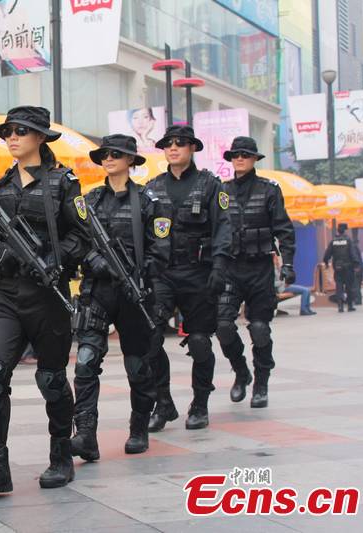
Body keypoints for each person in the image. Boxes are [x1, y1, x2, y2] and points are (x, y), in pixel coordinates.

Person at [0, 106, 89, 497]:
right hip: (6, 294)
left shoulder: (63, 184)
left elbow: (83, 235)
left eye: (21, 131)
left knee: (52, 378)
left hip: (48, 295)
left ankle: (60, 456)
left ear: (41, 137)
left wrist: (59, 260)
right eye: (8, 131)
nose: (12, 137)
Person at [71, 135, 170, 459]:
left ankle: (139, 427)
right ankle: (85, 434)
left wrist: (142, 276)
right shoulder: (90, 200)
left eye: (116, 154)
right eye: (105, 154)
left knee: (138, 367)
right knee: (85, 362)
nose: (109, 159)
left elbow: (162, 249)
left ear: (131, 161)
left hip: (135, 294)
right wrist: (93, 261)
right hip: (98, 291)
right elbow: (77, 243)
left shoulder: (150, 201)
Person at [145, 125, 232, 431]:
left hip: (199, 273)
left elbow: (223, 227)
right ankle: (163, 402)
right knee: (150, 337)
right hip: (162, 274)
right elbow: (143, 232)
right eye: (168, 143)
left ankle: (200, 404)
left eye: (180, 143)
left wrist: (220, 265)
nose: (173, 148)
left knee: (199, 342)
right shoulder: (152, 188)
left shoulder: (210, 185)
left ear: (192, 148)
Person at [215, 137, 296, 409]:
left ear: (254, 159)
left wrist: (288, 263)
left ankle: (261, 383)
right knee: (223, 326)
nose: (239, 158)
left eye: (245, 155)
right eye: (235, 154)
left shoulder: (269, 190)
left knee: (260, 328)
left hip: (260, 268)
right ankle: (241, 371)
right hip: (230, 268)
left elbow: (284, 229)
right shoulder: (221, 191)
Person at [324, 223, 362, 313]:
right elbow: (353, 253)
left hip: (338, 267)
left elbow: (327, 254)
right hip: (348, 267)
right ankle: (349, 306)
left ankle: (340, 306)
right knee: (349, 286)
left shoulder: (333, 241)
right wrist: (356, 264)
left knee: (339, 287)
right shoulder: (348, 240)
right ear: (345, 230)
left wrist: (326, 262)